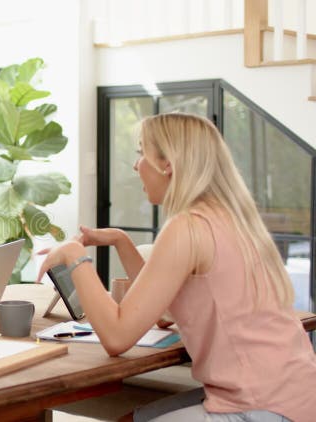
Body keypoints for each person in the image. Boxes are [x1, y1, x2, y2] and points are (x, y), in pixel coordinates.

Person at [38, 113, 316, 421]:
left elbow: (117, 337)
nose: (136, 165)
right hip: (293, 393)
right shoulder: (226, 218)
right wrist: (121, 241)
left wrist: (75, 256)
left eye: (141, 152)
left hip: (263, 406)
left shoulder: (188, 227)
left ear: (167, 163)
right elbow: (163, 312)